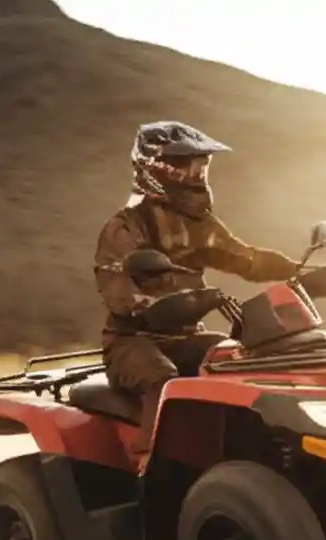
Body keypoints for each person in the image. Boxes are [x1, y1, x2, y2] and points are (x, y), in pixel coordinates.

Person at [93, 120, 299, 469]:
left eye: (202, 166)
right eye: (188, 165)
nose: (198, 175)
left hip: (185, 337)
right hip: (133, 342)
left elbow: (244, 258)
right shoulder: (124, 227)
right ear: (159, 167)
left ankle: (251, 457)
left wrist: (299, 270)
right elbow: (121, 295)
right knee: (162, 379)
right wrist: (176, 305)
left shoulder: (199, 225)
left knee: (238, 358)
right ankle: (150, 469)